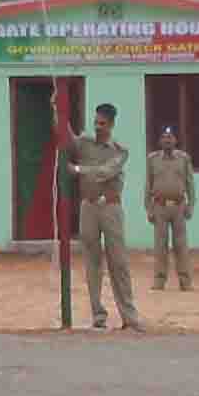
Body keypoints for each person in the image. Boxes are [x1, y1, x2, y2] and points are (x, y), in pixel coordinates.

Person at [65, 102, 142, 332]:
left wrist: (78, 170)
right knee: (92, 263)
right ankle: (98, 315)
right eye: (96, 122)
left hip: (110, 209)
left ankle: (129, 316)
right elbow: (66, 140)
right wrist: (56, 112)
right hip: (88, 208)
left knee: (118, 262)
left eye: (102, 123)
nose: (98, 127)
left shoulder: (119, 151)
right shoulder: (84, 144)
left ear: (111, 124)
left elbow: (105, 173)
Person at [146, 125, 196, 292]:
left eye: (170, 137)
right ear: (160, 141)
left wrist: (191, 205)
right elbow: (148, 184)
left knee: (180, 245)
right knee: (160, 245)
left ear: (175, 140)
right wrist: (148, 208)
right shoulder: (152, 159)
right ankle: (159, 280)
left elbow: (190, 184)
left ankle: (185, 281)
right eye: (164, 137)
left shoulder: (184, 158)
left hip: (179, 207)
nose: (167, 140)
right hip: (159, 206)